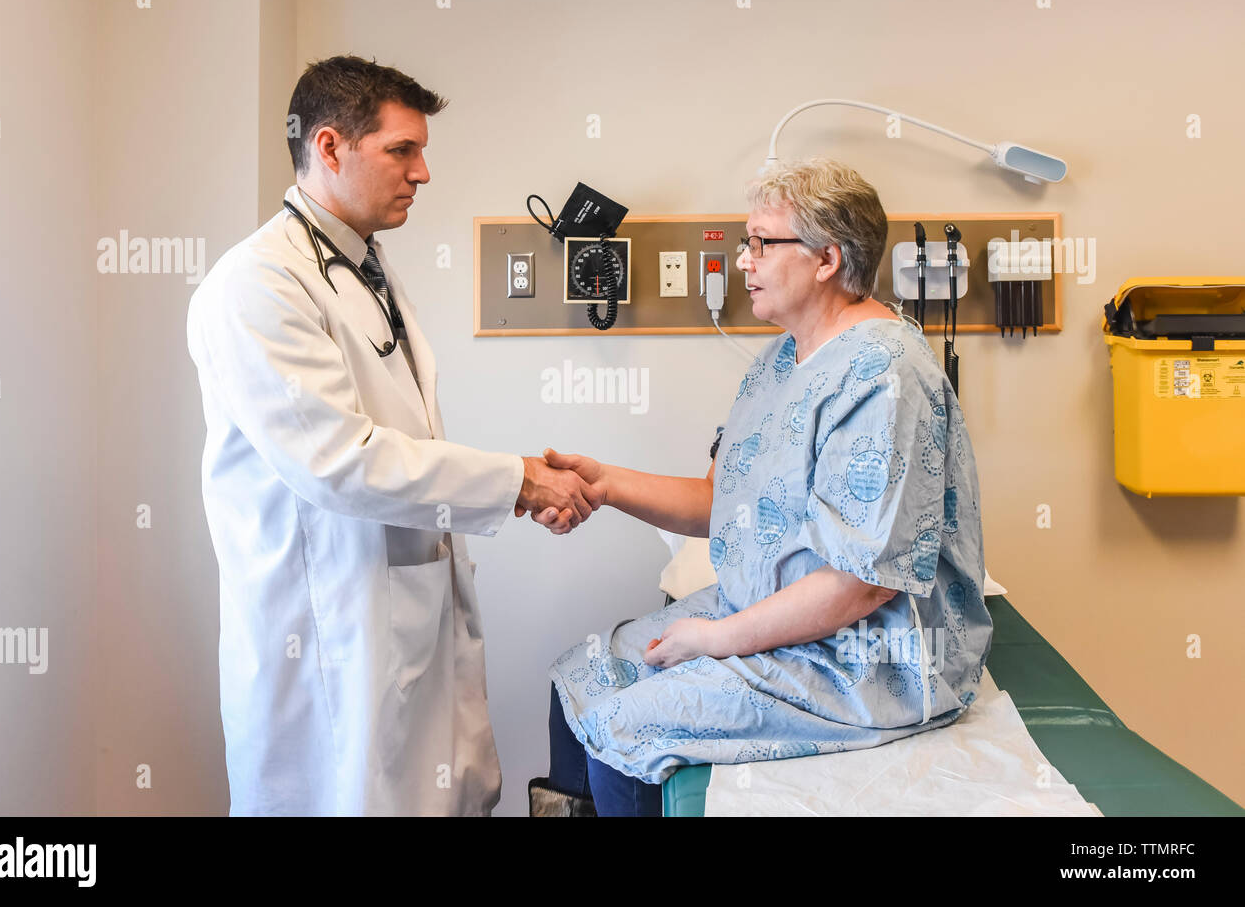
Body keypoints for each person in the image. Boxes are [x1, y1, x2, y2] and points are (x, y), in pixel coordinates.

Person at [186, 55, 600, 816]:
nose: (424, 172)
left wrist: (517, 482)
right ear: (331, 147)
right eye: (402, 150)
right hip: (326, 639)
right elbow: (340, 462)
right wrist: (518, 481)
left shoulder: (364, 269)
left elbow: (400, 445)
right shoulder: (256, 285)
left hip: (400, 615)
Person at [528, 158, 993, 817]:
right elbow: (725, 504)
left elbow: (863, 582)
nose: (743, 260)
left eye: (759, 243)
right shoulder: (781, 358)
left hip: (866, 651)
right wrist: (604, 484)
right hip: (779, 613)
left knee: (622, 731)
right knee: (582, 670)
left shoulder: (885, 375)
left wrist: (715, 639)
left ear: (827, 257)